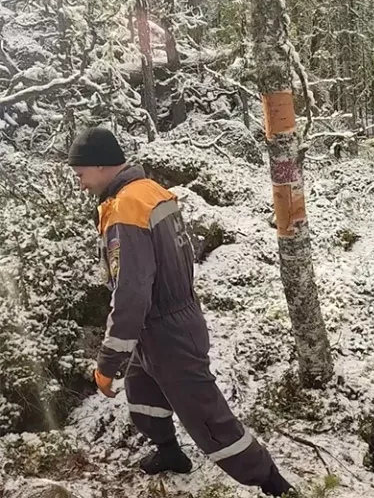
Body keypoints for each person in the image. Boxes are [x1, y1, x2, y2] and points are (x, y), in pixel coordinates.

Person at [68, 127, 295, 497]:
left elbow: (131, 293)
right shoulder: (150, 191)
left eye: (80, 175)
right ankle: (170, 454)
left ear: (98, 163)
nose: (80, 185)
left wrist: (108, 364)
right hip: (163, 321)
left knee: (208, 417)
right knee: (143, 393)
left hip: (165, 330)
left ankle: (272, 481)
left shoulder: (127, 207)